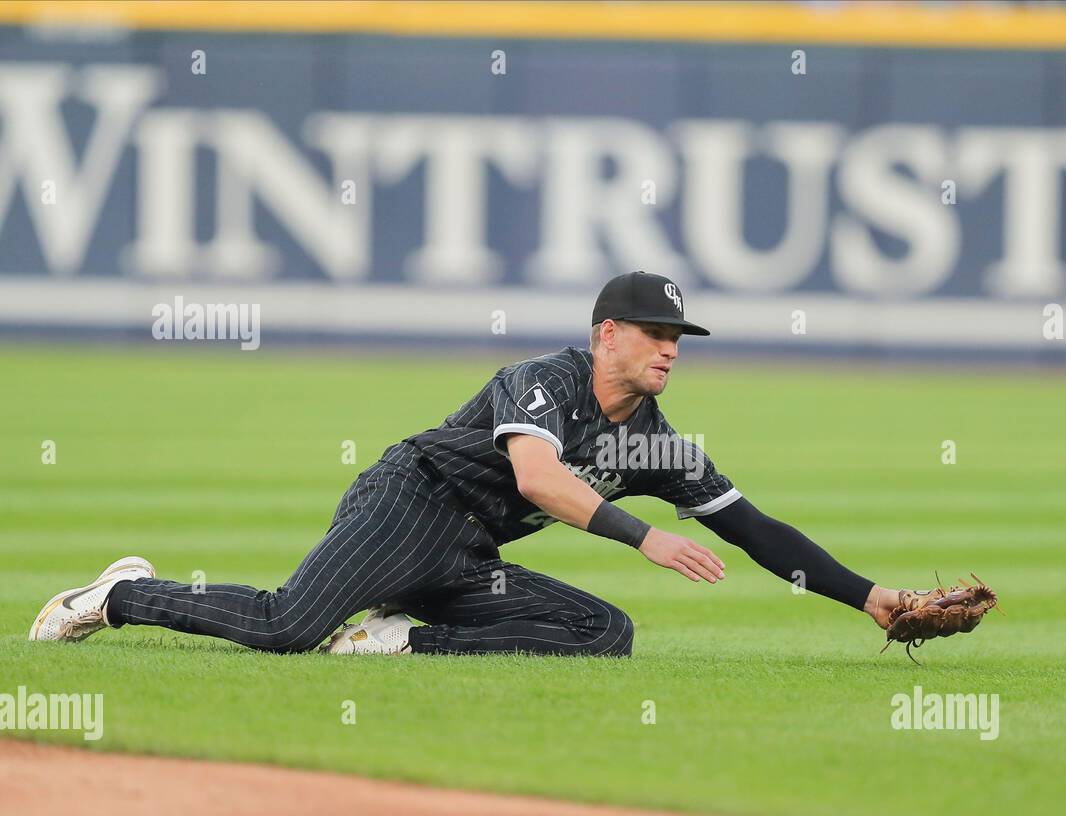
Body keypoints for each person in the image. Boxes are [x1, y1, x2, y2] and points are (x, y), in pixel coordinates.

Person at [31, 271, 992, 658]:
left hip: (467, 553)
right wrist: (643, 533)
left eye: (679, 335)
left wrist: (870, 599)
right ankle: (117, 596)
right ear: (605, 332)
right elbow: (536, 478)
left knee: (604, 634)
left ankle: (398, 640)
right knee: (287, 628)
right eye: (653, 332)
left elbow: (756, 530)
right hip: (411, 501)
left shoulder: (656, 440)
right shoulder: (541, 378)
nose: (668, 348)